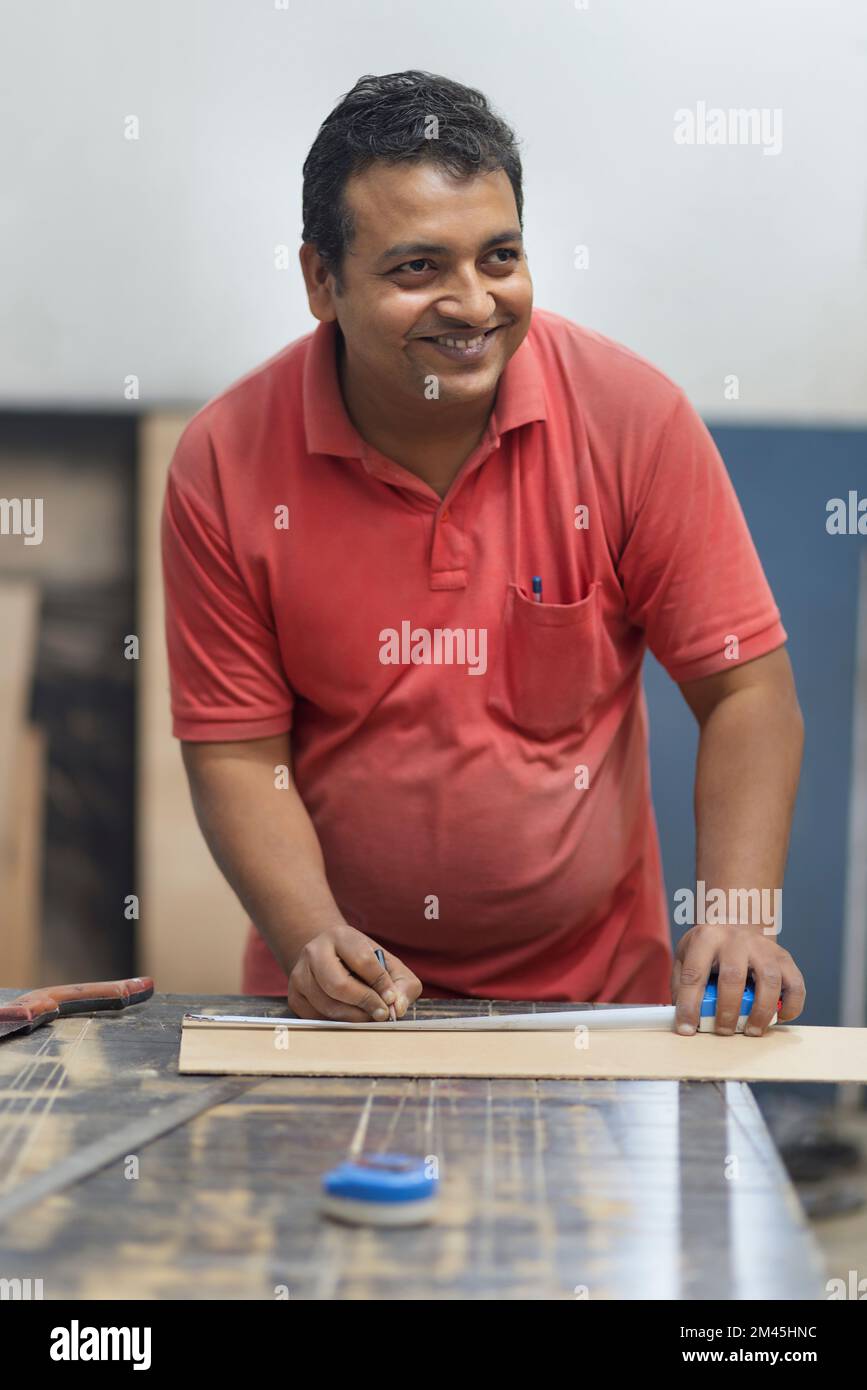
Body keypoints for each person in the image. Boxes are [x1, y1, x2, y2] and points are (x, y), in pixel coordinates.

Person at [161, 70, 806, 1034]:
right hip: (342, 1008)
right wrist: (310, 934)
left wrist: (738, 915)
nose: (472, 304)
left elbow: (746, 691)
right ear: (319, 282)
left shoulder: (634, 422)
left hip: (600, 1007)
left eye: (498, 257)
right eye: (417, 269)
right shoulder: (225, 462)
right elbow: (240, 755)